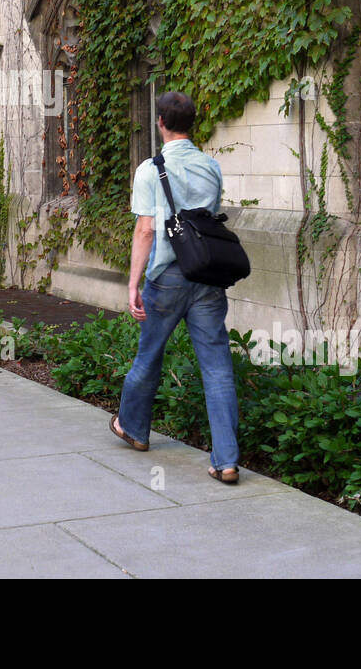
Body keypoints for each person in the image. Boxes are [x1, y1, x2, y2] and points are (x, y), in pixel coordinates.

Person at [109, 90, 241, 484]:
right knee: (217, 367)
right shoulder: (211, 167)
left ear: (160, 123)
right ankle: (227, 461)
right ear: (192, 124)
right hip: (207, 278)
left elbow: (146, 229)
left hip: (166, 278)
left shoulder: (151, 169)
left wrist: (133, 283)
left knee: (149, 354)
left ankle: (133, 428)